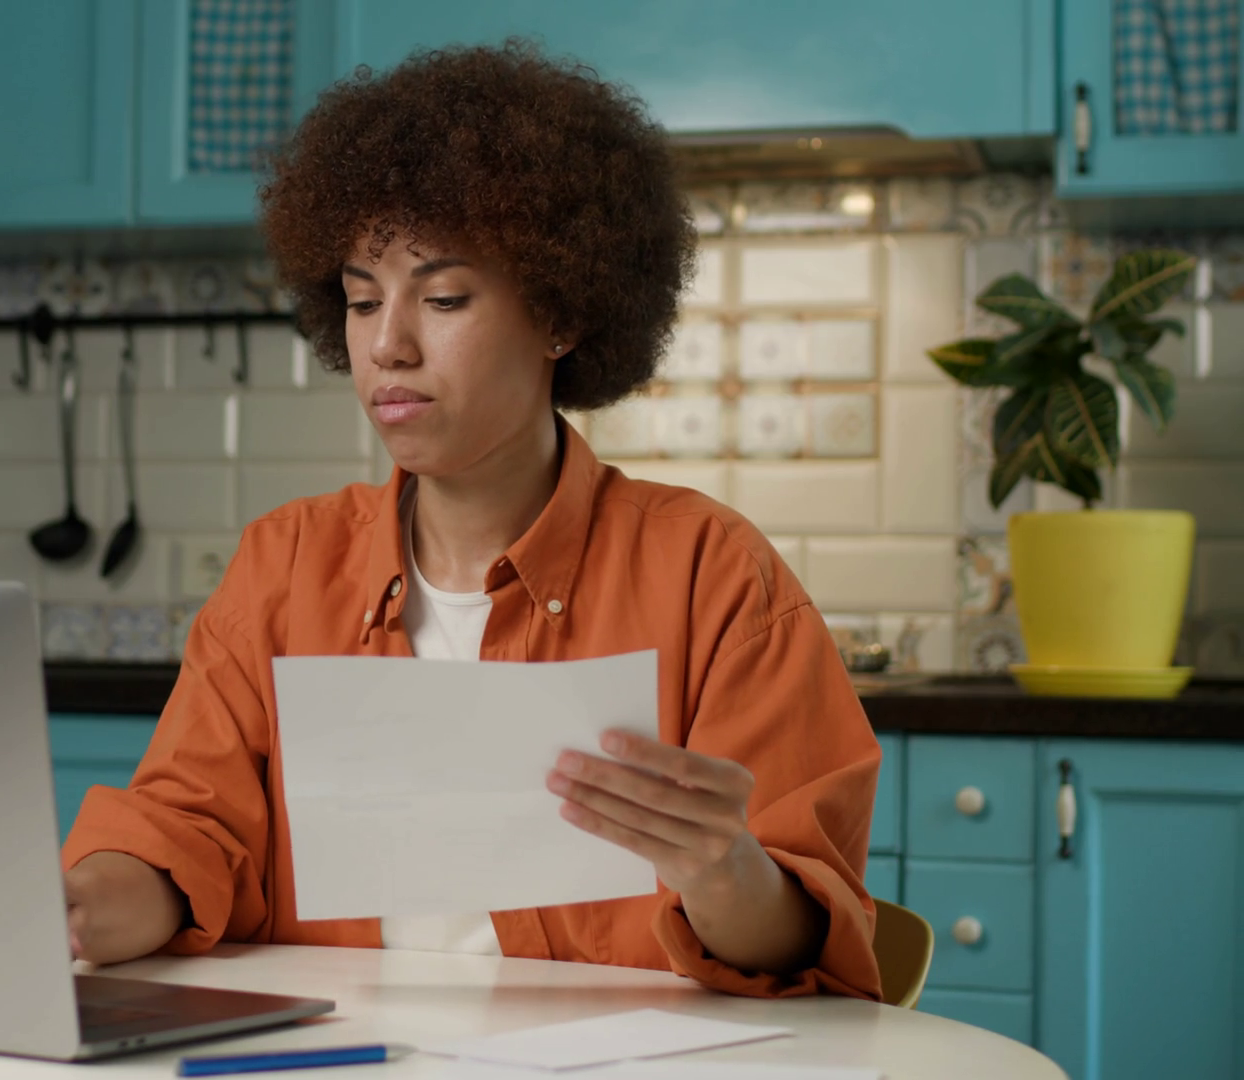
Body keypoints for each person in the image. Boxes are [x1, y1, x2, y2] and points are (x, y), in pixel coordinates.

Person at [61, 42, 882, 1000]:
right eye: (362, 302)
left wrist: (722, 870)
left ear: (559, 315)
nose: (388, 345)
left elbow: (805, 939)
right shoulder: (283, 564)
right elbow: (188, 835)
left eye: (443, 297)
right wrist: (81, 905)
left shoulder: (712, 572)